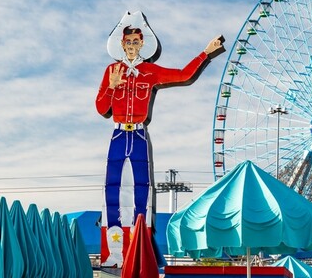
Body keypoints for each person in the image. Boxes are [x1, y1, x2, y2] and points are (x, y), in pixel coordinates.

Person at [96, 24, 225, 265]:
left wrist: (206, 53)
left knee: (141, 193)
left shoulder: (150, 72)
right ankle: (114, 251)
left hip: (139, 135)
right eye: (128, 42)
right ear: (121, 45)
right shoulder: (112, 70)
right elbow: (101, 108)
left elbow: (184, 75)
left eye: (136, 42)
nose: (132, 46)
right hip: (117, 136)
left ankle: (138, 249)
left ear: (142, 45)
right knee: (112, 191)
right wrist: (112, 87)